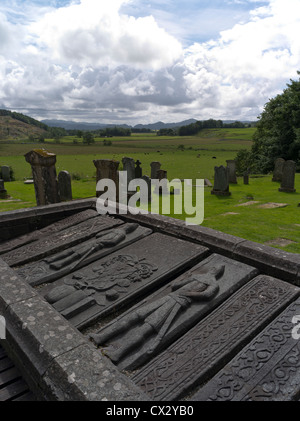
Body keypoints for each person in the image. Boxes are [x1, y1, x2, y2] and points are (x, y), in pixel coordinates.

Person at [90, 265, 225, 362]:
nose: (213, 269)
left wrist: (186, 292)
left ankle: (118, 353)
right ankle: (102, 337)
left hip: (174, 304)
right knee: (135, 317)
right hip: (169, 298)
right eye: (214, 268)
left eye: (214, 269)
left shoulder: (212, 283)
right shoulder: (201, 278)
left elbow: (206, 295)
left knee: (146, 328)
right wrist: (185, 282)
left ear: (215, 271)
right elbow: (176, 286)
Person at [44, 223, 138, 270]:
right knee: (72, 251)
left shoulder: (121, 234)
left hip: (97, 244)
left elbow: (113, 242)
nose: (125, 227)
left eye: (127, 226)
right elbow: (100, 234)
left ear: (128, 228)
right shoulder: (118, 232)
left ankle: (60, 263)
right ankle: (53, 259)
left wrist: (102, 239)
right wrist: (102, 237)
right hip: (95, 242)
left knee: (76, 254)